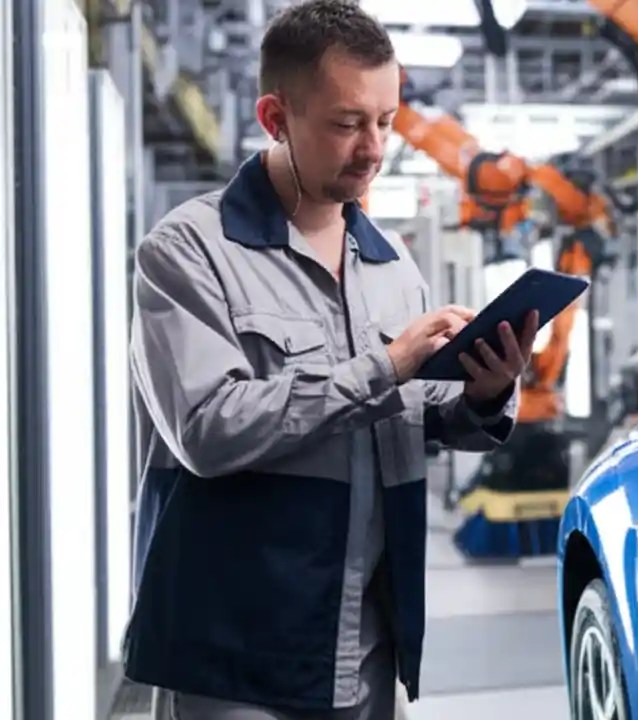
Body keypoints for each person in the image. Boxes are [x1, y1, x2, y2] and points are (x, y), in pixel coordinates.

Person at [124, 1, 536, 717]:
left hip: (368, 644)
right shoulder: (188, 251)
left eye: (386, 121)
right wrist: (388, 366)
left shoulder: (393, 264)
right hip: (236, 653)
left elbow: (405, 418)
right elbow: (207, 429)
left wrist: (481, 394)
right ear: (275, 118)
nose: (374, 148)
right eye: (347, 124)